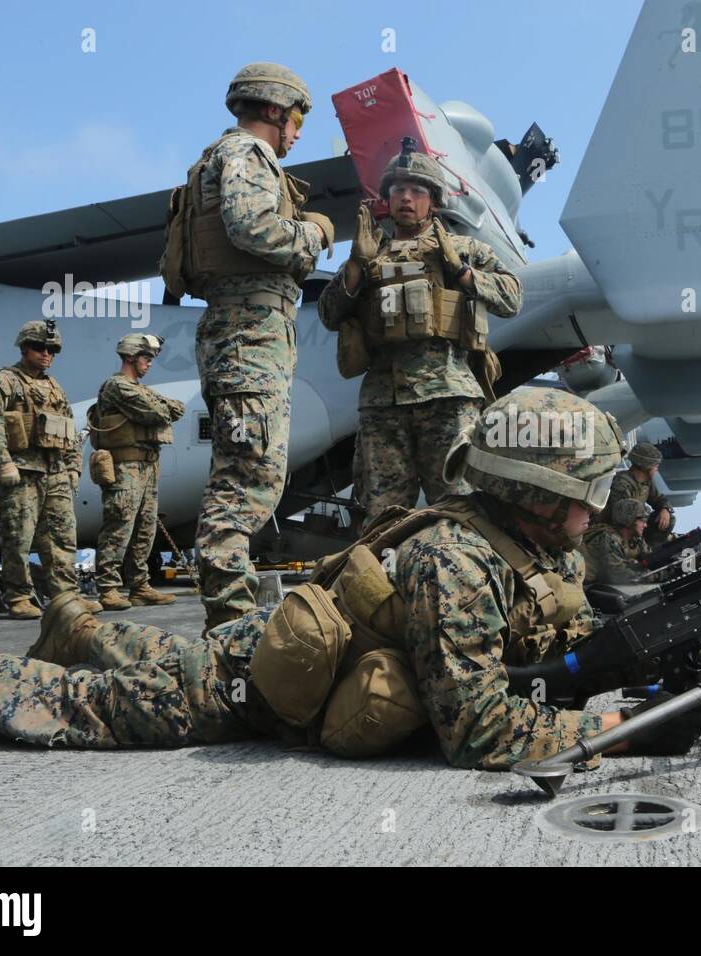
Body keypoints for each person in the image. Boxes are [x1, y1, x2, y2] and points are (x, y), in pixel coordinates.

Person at [0, 389, 701, 766]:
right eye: (588, 489)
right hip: (243, 688)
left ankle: (80, 627)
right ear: (541, 491)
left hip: (258, 651)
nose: (600, 508)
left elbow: (551, 639)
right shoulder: (458, 563)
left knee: (158, 657)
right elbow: (482, 734)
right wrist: (624, 731)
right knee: (71, 709)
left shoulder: (528, 542)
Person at [175, 62, 334, 634]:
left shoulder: (217, 158)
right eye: (296, 118)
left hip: (242, 336)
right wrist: (314, 233)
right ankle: (231, 619)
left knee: (246, 473)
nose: (297, 132)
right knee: (246, 479)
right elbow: (251, 228)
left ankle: (230, 612)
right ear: (274, 109)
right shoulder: (246, 155)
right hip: (248, 337)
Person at [319, 140, 522, 529]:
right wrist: (356, 268)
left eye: (417, 191)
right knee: (381, 516)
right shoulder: (368, 252)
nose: (406, 198)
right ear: (387, 198)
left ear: (434, 200)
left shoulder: (463, 249)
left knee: (461, 507)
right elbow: (330, 314)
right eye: (397, 190)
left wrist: (462, 271)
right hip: (383, 403)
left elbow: (512, 299)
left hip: (447, 396)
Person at [0, 320, 100, 618]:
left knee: (62, 538)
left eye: (52, 350)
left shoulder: (54, 386)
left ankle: (66, 596)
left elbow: (68, 430)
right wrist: (2, 461)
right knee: (18, 536)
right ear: (25, 347)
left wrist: (72, 469)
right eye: (40, 348)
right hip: (21, 470)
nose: (47, 354)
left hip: (54, 471)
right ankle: (18, 596)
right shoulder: (5, 381)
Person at [91, 334, 185, 610]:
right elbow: (154, 413)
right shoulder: (117, 386)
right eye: (147, 358)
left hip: (147, 465)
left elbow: (176, 408)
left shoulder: (139, 388)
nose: (150, 364)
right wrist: (163, 408)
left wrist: (164, 408)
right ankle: (108, 588)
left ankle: (139, 586)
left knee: (145, 527)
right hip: (125, 466)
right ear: (131, 357)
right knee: (119, 524)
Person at [601, 440, 674, 548]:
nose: (656, 469)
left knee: (669, 520)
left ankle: (652, 548)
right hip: (622, 527)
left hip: (638, 523)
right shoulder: (621, 484)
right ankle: (643, 551)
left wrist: (665, 509)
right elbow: (620, 518)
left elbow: (658, 499)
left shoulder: (646, 482)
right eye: (655, 466)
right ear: (647, 466)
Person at [579, 498, 649, 585]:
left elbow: (650, 557)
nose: (645, 525)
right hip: (586, 586)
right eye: (642, 521)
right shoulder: (605, 538)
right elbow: (617, 575)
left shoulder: (636, 539)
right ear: (629, 518)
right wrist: (649, 577)